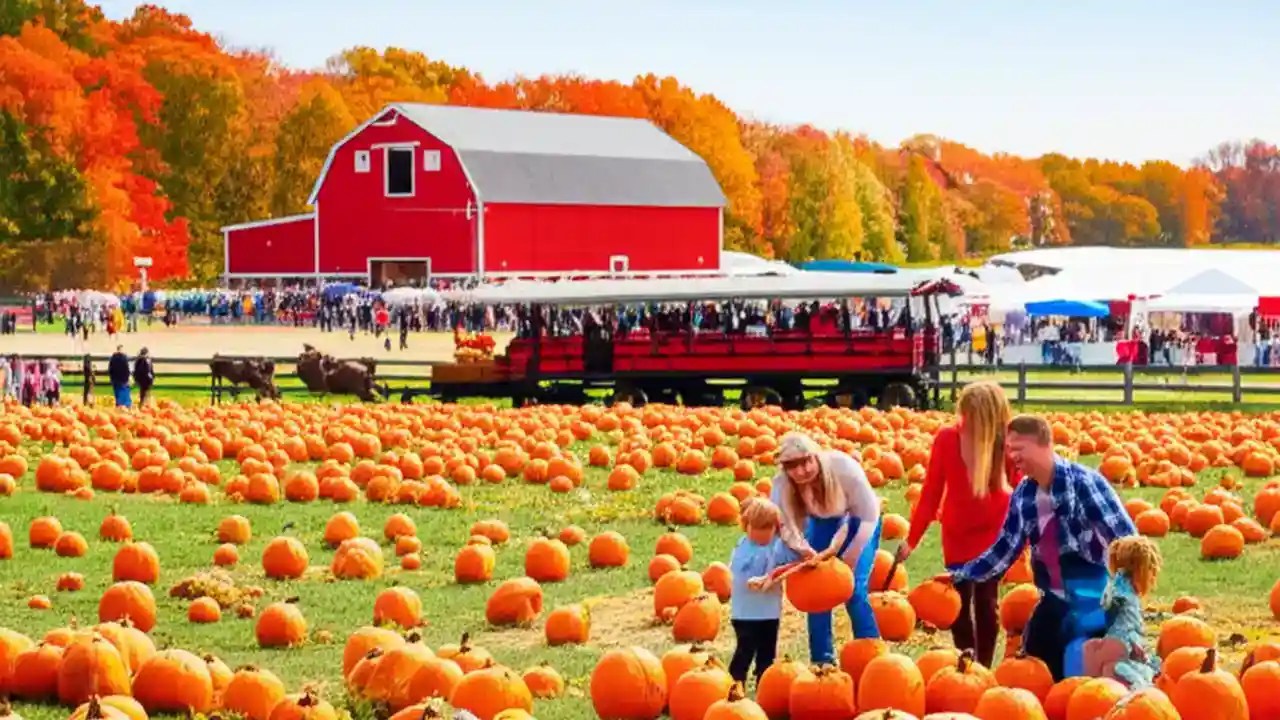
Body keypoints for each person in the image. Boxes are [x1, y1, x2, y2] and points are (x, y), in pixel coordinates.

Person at [948, 414, 1137, 681]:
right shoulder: (1024, 494)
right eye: (1009, 450)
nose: (1012, 456)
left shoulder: (1085, 483)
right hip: (1054, 600)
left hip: (1094, 599)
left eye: (1018, 449)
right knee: (1035, 669)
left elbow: (1127, 540)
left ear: (1043, 444)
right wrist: (962, 575)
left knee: (1084, 678)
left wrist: (1127, 597)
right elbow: (1005, 548)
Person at [896, 380, 1019, 667]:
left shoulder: (1007, 444)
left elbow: (1022, 494)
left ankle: (984, 668)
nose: (965, 422)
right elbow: (930, 494)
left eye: (972, 417)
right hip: (958, 533)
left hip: (994, 535)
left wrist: (1020, 540)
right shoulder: (947, 439)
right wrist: (911, 539)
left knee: (987, 603)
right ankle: (968, 662)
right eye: (963, 415)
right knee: (957, 606)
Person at [770, 431, 883, 663]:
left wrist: (849, 558)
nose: (800, 471)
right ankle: (822, 661)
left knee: (854, 589)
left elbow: (869, 516)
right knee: (816, 590)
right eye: (792, 466)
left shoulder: (844, 468)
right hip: (822, 522)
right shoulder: (781, 485)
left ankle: (872, 658)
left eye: (806, 462)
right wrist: (803, 549)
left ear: (816, 457)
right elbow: (784, 525)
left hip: (859, 521)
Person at [726, 497, 797, 686]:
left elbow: (793, 562)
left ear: (776, 528)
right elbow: (737, 572)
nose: (760, 534)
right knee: (745, 648)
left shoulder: (778, 546)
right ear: (746, 526)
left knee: (767, 652)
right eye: (755, 528)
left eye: (766, 528)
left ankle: (764, 685)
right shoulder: (743, 546)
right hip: (744, 612)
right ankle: (734, 681)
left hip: (769, 612)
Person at [1082, 536, 1163, 688]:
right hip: (1123, 644)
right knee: (1140, 676)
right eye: (1151, 571)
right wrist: (1139, 650)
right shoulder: (1125, 594)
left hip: (1114, 642)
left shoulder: (1116, 584)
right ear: (1141, 569)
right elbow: (1129, 626)